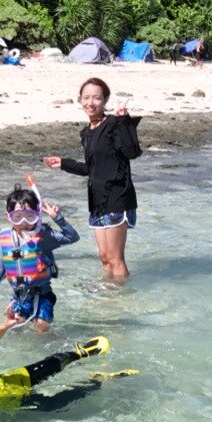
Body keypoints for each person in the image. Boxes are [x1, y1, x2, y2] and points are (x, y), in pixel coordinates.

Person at [43, 78, 141, 280]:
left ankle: (119, 295)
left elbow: (132, 152)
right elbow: (91, 168)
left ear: (105, 100)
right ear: (79, 100)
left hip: (117, 196)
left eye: (96, 98)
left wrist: (124, 120)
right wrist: (63, 163)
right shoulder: (87, 132)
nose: (91, 102)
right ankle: (107, 291)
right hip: (97, 200)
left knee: (115, 258)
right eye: (86, 97)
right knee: (104, 257)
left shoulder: (114, 124)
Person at [0, 181, 79, 333]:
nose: (24, 222)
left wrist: (57, 218)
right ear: (8, 217)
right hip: (20, 296)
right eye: (18, 217)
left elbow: (72, 237)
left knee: (42, 326)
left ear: (37, 215)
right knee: (13, 326)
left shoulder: (44, 236)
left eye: (30, 216)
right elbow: (0, 268)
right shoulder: (7, 239)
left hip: (43, 293)